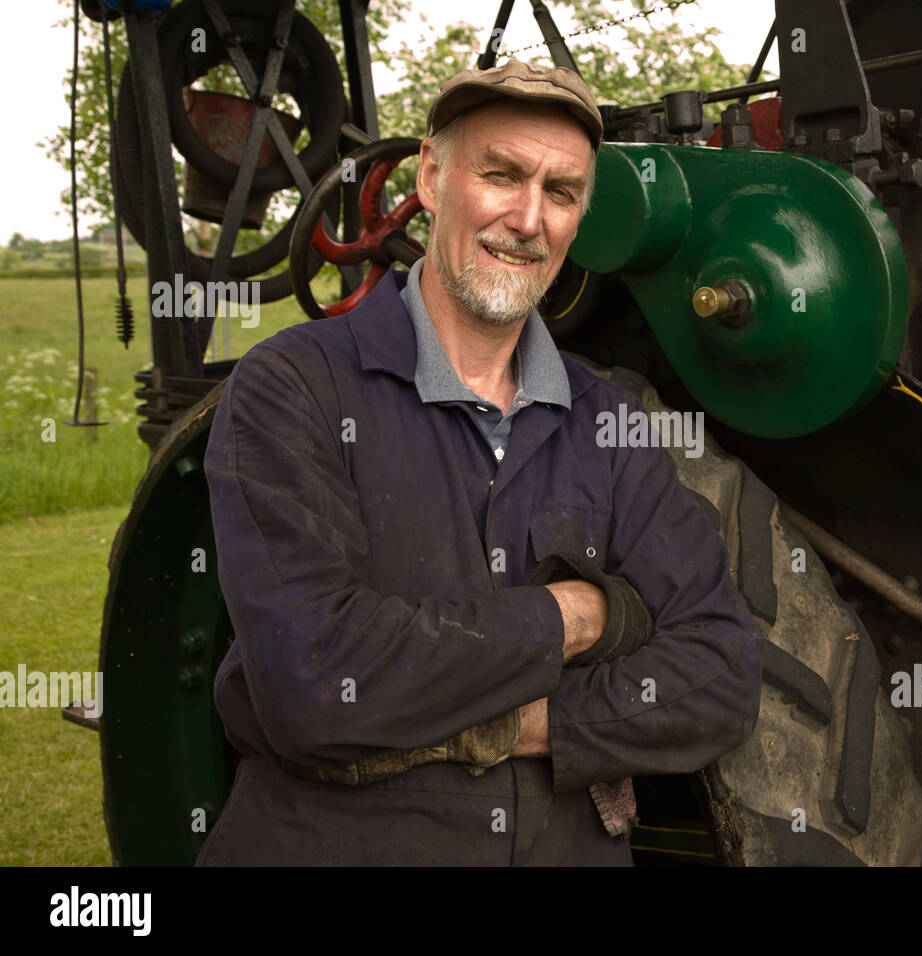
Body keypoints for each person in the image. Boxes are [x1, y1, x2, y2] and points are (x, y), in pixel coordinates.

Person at [196, 59, 764, 866]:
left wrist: (518, 727)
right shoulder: (293, 387)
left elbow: (722, 675)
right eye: (501, 174)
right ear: (430, 175)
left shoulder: (608, 422)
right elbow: (315, 682)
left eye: (561, 193)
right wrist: (585, 617)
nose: (528, 219)